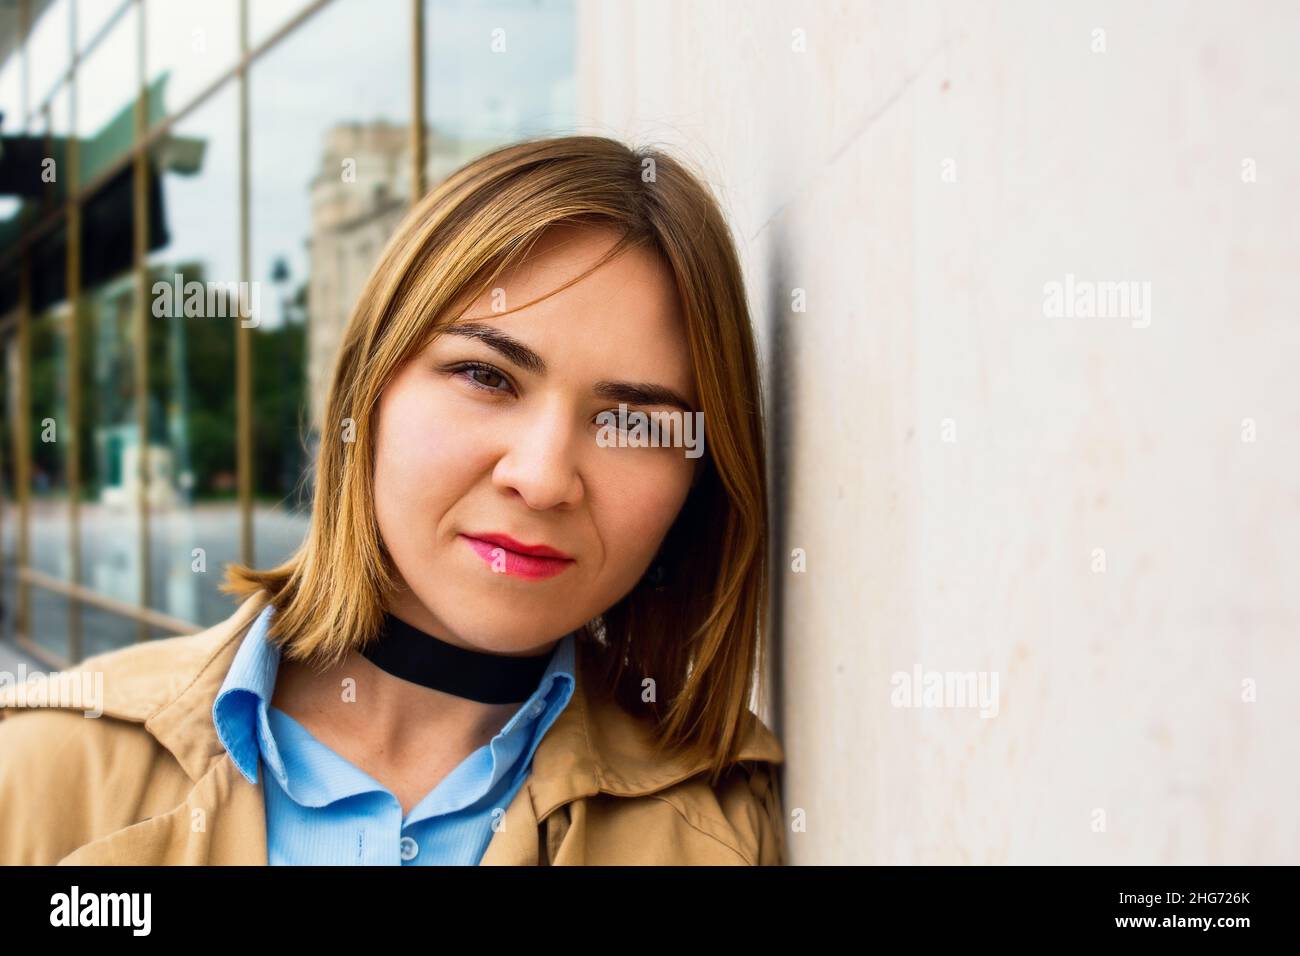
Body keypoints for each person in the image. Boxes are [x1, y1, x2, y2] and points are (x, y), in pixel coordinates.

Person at [0, 134, 785, 865]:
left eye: (629, 423)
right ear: (367, 393)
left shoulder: (724, 827)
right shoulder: (45, 765)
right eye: (487, 376)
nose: (543, 477)